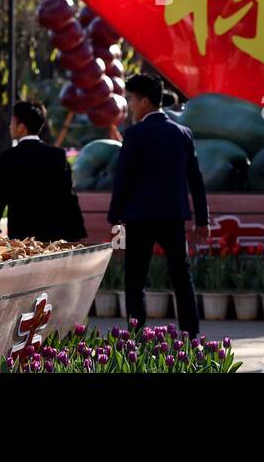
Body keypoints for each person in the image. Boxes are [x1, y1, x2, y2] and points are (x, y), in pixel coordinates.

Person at [107, 74, 208, 336]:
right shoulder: (182, 133)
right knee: (181, 277)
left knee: (135, 280)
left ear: (144, 101)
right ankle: (190, 334)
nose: (129, 104)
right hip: (173, 216)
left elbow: (123, 179)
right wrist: (202, 220)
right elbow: (196, 180)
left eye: (131, 99)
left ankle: (136, 336)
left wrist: (115, 218)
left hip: (139, 217)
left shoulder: (134, 134)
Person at [0, 100, 86, 241]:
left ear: (21, 127)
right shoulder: (57, 156)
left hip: (21, 238)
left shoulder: (8, 158)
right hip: (53, 236)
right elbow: (69, 197)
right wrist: (77, 234)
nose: (10, 126)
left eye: (12, 122)